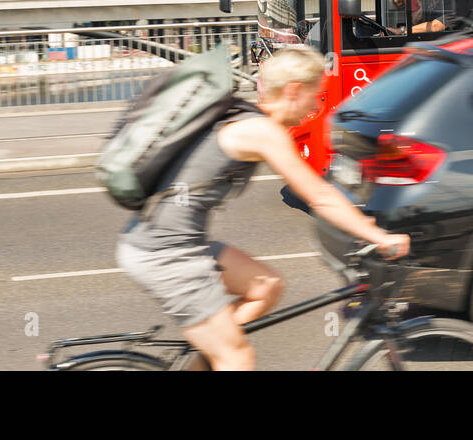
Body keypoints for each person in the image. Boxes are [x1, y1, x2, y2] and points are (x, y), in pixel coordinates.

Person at [115, 46, 410, 371]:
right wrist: (377, 234)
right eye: (316, 95)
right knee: (237, 357)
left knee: (265, 287)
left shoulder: (246, 117)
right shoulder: (260, 131)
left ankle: (203, 357)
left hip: (169, 242)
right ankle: (219, 352)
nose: (317, 105)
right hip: (166, 254)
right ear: (294, 90)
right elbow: (319, 195)